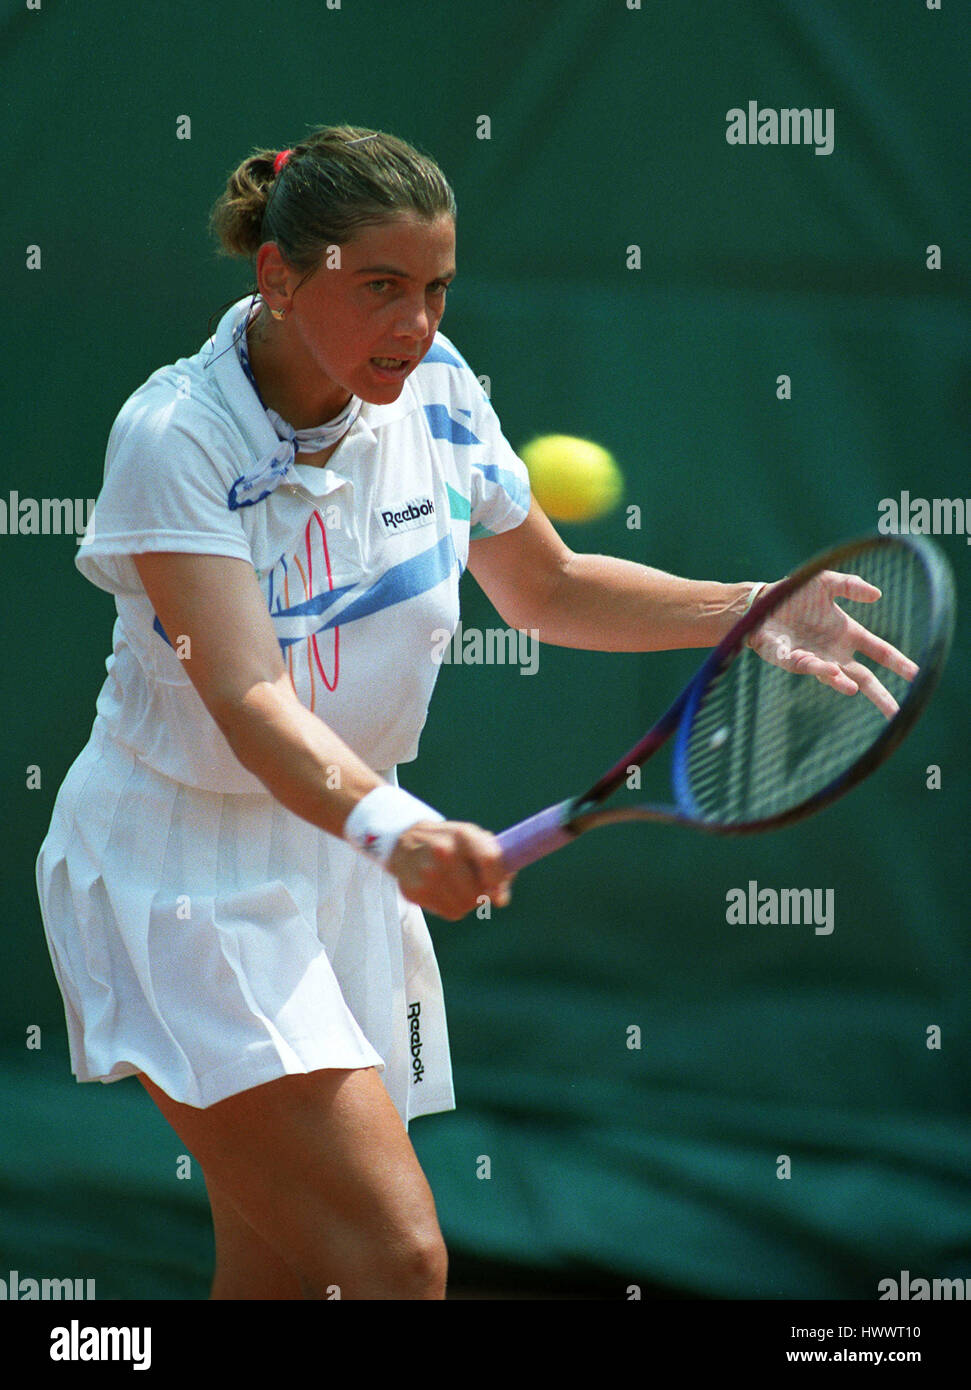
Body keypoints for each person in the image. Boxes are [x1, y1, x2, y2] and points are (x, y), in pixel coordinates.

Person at [35, 124, 909, 1302]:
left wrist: (751, 608)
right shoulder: (175, 437)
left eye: (435, 289)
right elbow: (243, 696)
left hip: (333, 860)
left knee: (286, 1271)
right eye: (381, 288)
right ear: (279, 277)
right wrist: (395, 829)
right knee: (394, 1263)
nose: (416, 324)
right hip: (179, 873)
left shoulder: (436, 391)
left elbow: (546, 587)